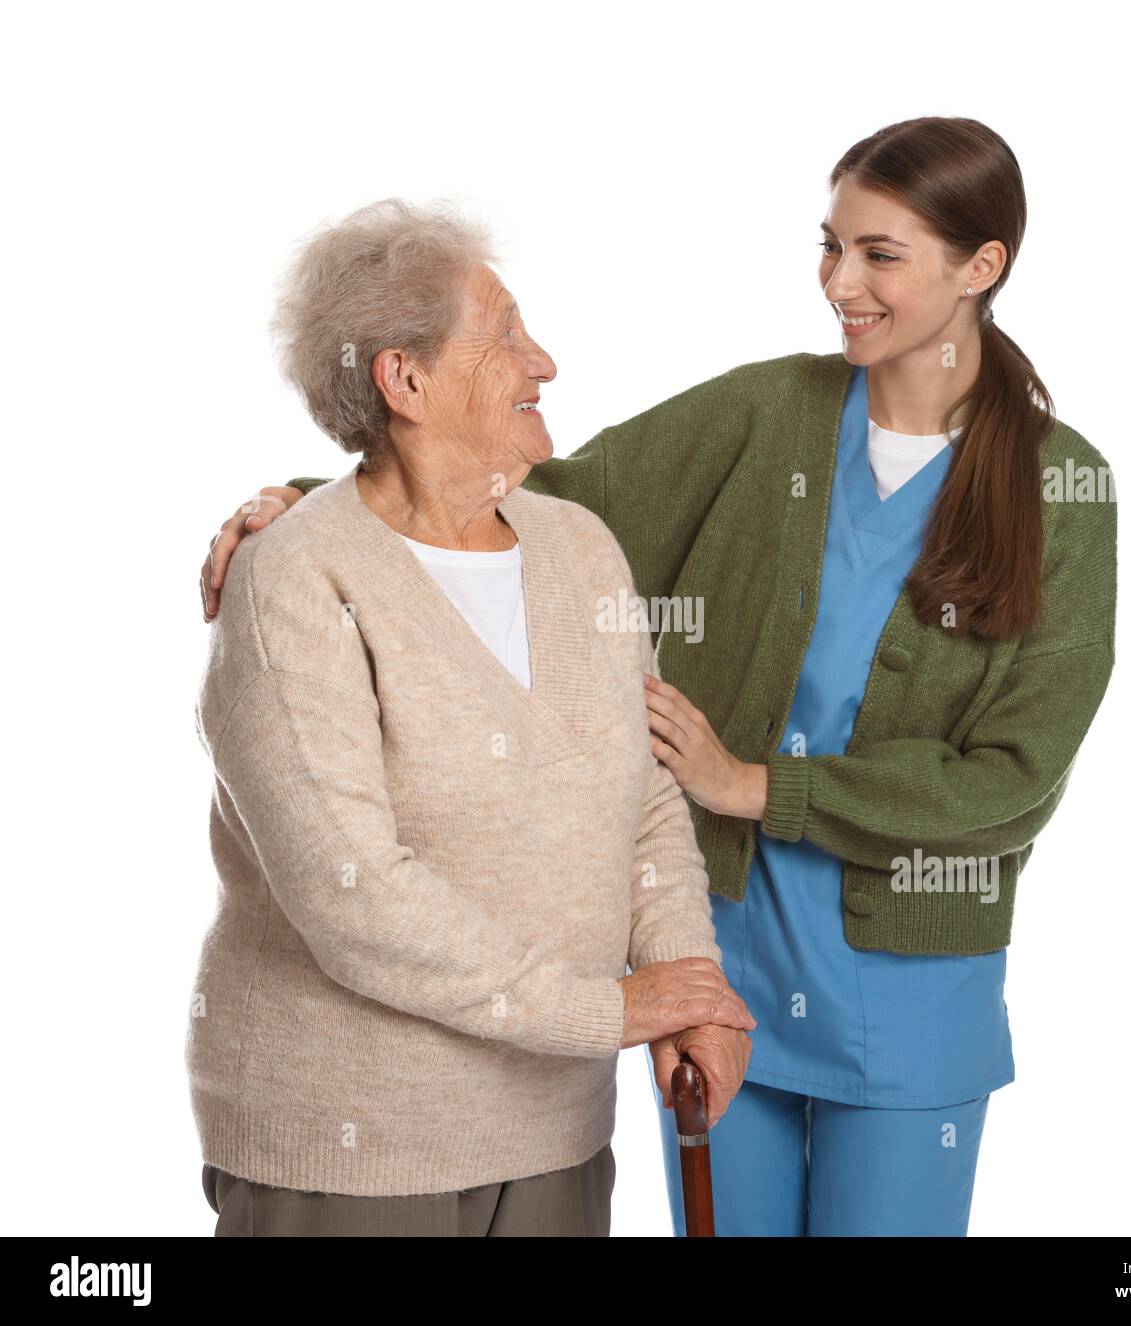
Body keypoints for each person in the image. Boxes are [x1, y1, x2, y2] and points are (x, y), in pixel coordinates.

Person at [201, 116, 1117, 1237]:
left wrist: (761, 788)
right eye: (830, 246)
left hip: (908, 989)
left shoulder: (1062, 487)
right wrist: (311, 504)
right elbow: (540, 500)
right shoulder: (769, 413)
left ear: (982, 267)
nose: (840, 283)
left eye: (880, 255)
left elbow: (1015, 778)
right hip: (720, 969)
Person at [188, 198, 756, 1238]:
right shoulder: (293, 581)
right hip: (353, 1147)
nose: (545, 363)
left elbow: (646, 804)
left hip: (556, 1135)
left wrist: (689, 985)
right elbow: (353, 894)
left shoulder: (581, 548)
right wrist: (612, 1012)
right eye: (504, 338)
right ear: (403, 381)